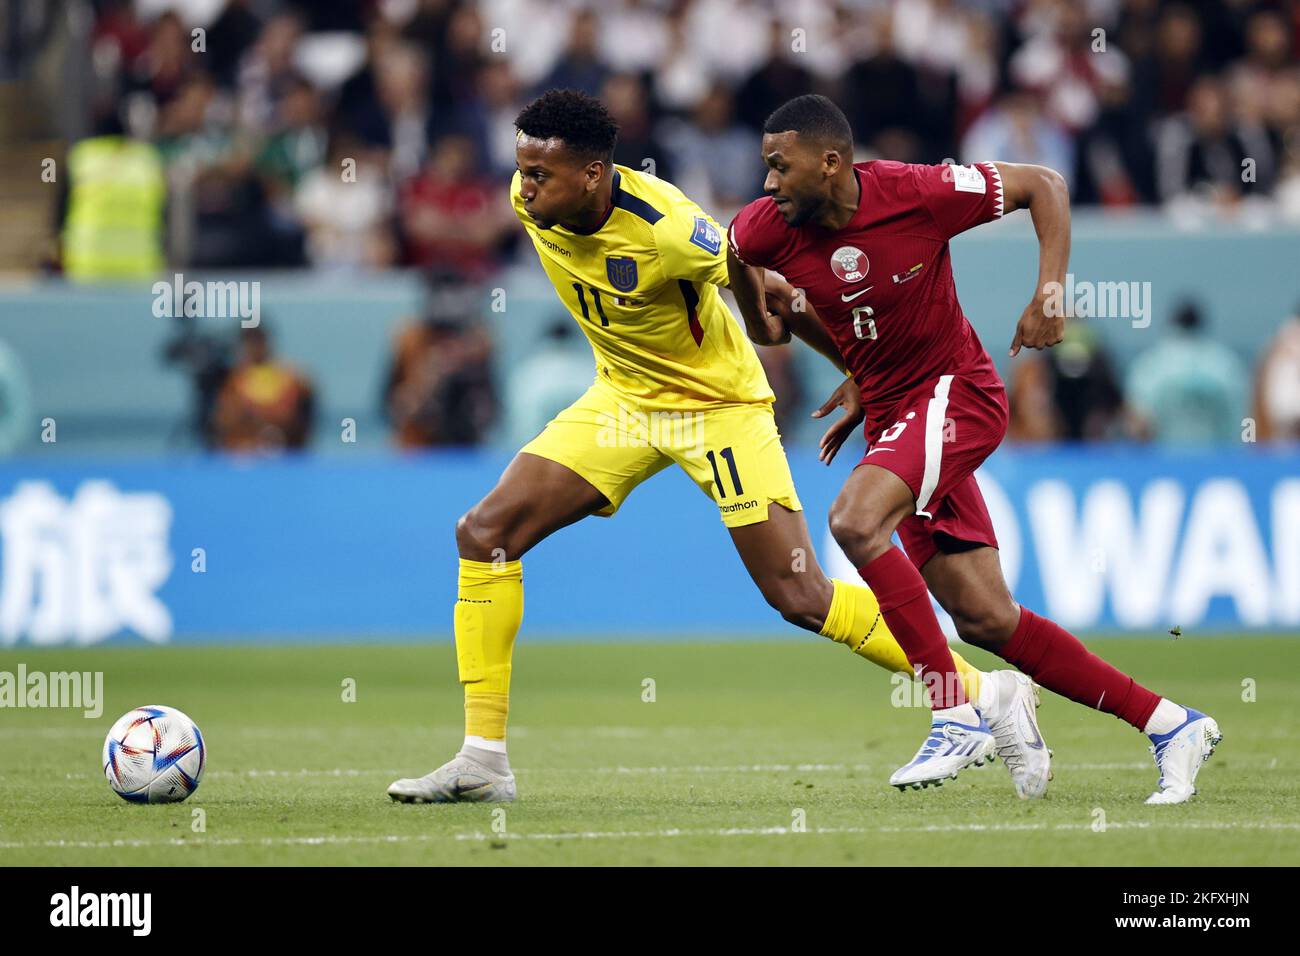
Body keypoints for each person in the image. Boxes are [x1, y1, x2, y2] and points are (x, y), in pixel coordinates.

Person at [387, 90, 1047, 805]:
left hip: (718, 409)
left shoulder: (669, 228)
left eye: (541, 173)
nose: (523, 186)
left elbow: (775, 290)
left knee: (799, 594)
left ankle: (984, 692)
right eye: (522, 169)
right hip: (623, 400)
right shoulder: (529, 200)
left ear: (593, 174)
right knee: (485, 533)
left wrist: (857, 371)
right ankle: (484, 759)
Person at [727, 94, 1219, 803]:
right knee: (986, 618)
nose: (768, 182)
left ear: (831, 162)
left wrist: (1050, 293)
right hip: (896, 417)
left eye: (780, 166)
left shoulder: (918, 192)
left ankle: (954, 712)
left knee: (855, 521)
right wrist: (801, 338)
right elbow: (750, 284)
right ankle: (1173, 724)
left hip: (957, 396)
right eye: (766, 166)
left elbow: (1043, 184)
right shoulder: (764, 228)